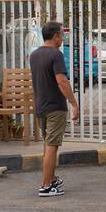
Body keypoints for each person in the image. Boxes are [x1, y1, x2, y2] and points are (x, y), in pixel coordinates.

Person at [29, 22, 81, 197]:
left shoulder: (34, 55)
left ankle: (50, 179)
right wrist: (73, 103)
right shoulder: (56, 55)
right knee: (52, 145)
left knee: (48, 144)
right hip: (55, 107)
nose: (63, 38)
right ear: (55, 36)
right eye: (62, 35)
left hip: (40, 106)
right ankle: (45, 185)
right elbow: (62, 81)